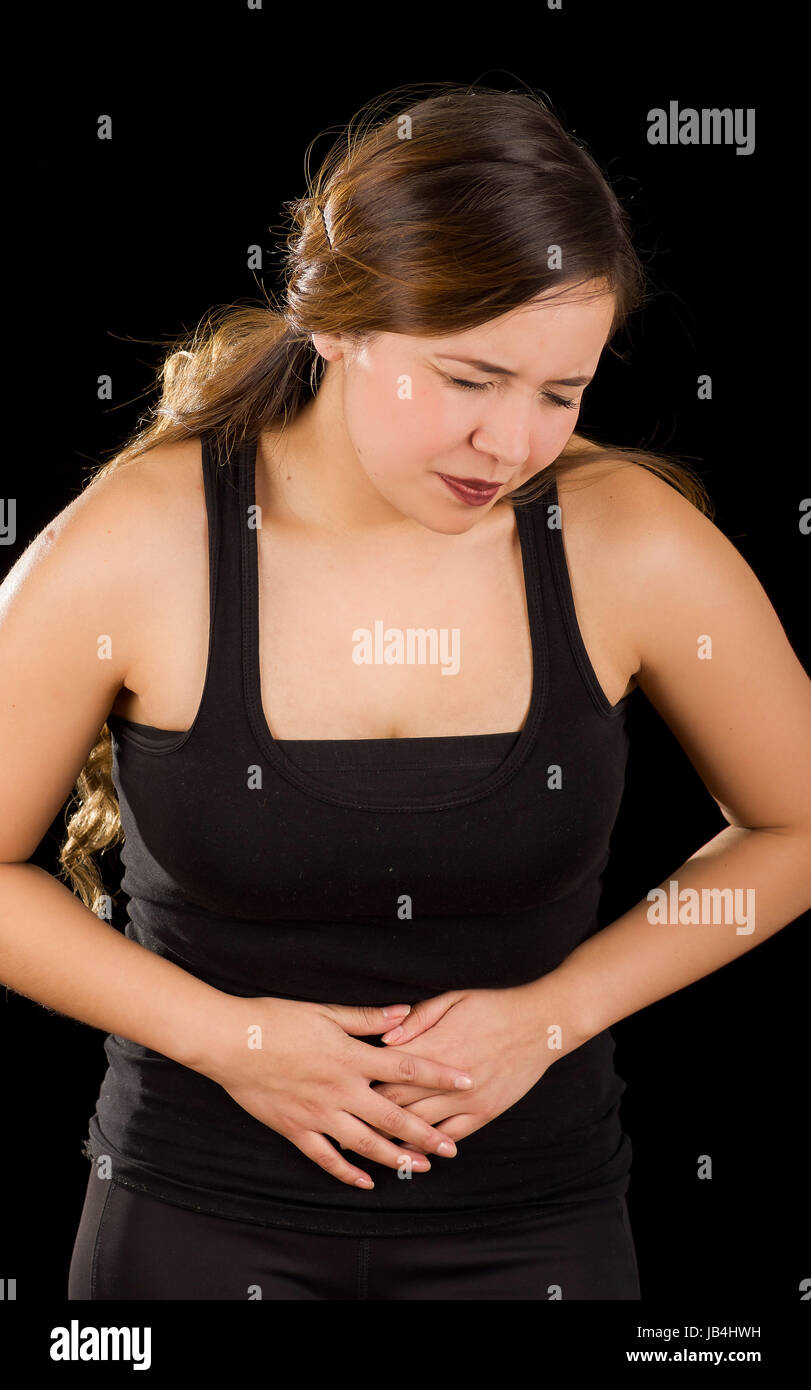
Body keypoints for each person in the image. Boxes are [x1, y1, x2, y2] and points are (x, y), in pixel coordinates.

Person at [2, 83, 809, 1302]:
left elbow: (799, 823)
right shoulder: (133, 542)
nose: (512, 446)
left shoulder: (626, 540)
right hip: (197, 1220)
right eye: (469, 379)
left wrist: (552, 1014)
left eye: (560, 392)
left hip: (541, 1224)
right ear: (334, 323)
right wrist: (237, 1041)